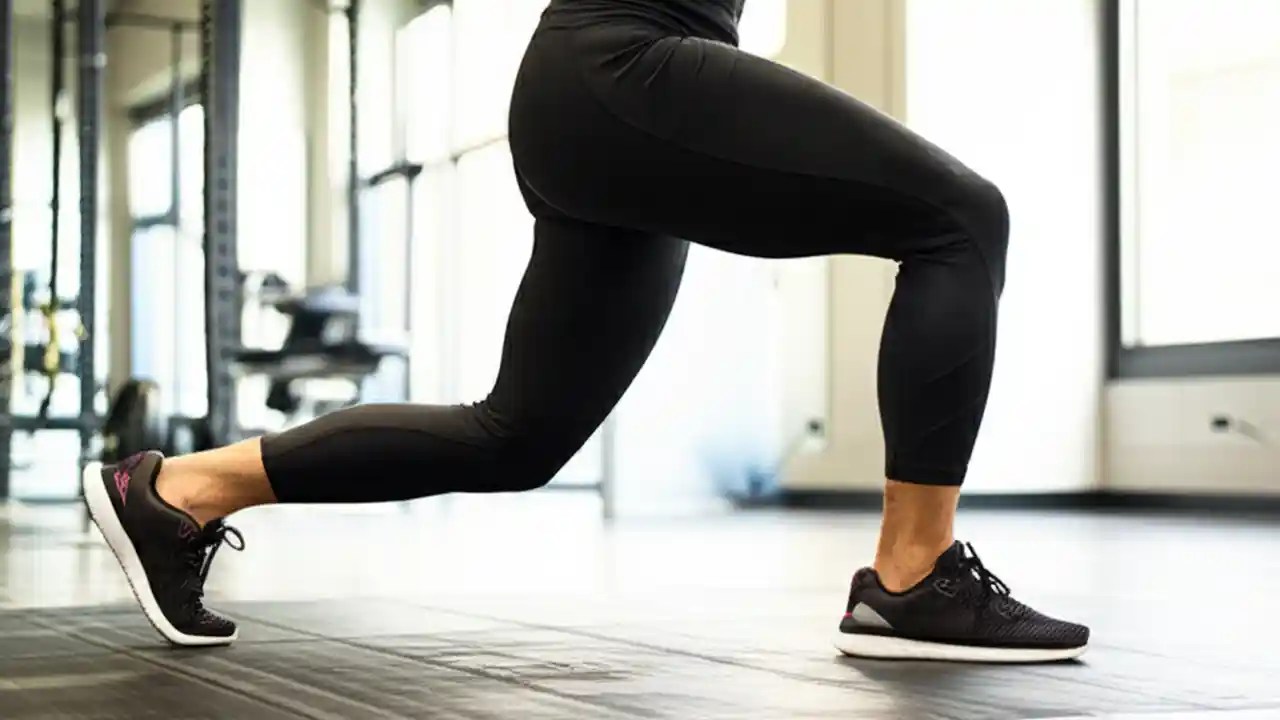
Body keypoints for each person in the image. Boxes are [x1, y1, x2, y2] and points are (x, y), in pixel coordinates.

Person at [84, 0, 1088, 661]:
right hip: (628, 63)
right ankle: (910, 577)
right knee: (960, 218)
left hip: (602, 94)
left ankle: (174, 493)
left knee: (516, 439)